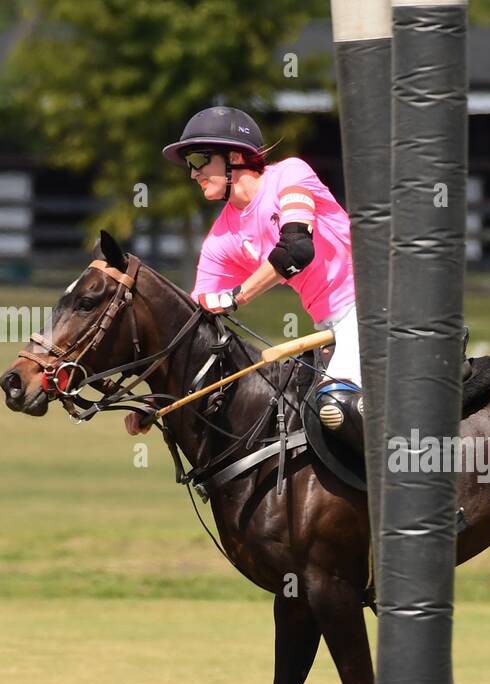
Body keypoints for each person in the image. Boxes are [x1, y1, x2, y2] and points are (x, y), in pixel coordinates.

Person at [127, 106, 363, 444]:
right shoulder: (220, 240)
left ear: (235, 157)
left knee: (335, 406)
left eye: (198, 160)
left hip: (375, 303)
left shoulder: (289, 174)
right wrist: (160, 397)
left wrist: (237, 296)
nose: (193, 174)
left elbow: (297, 249)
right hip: (330, 326)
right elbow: (191, 328)